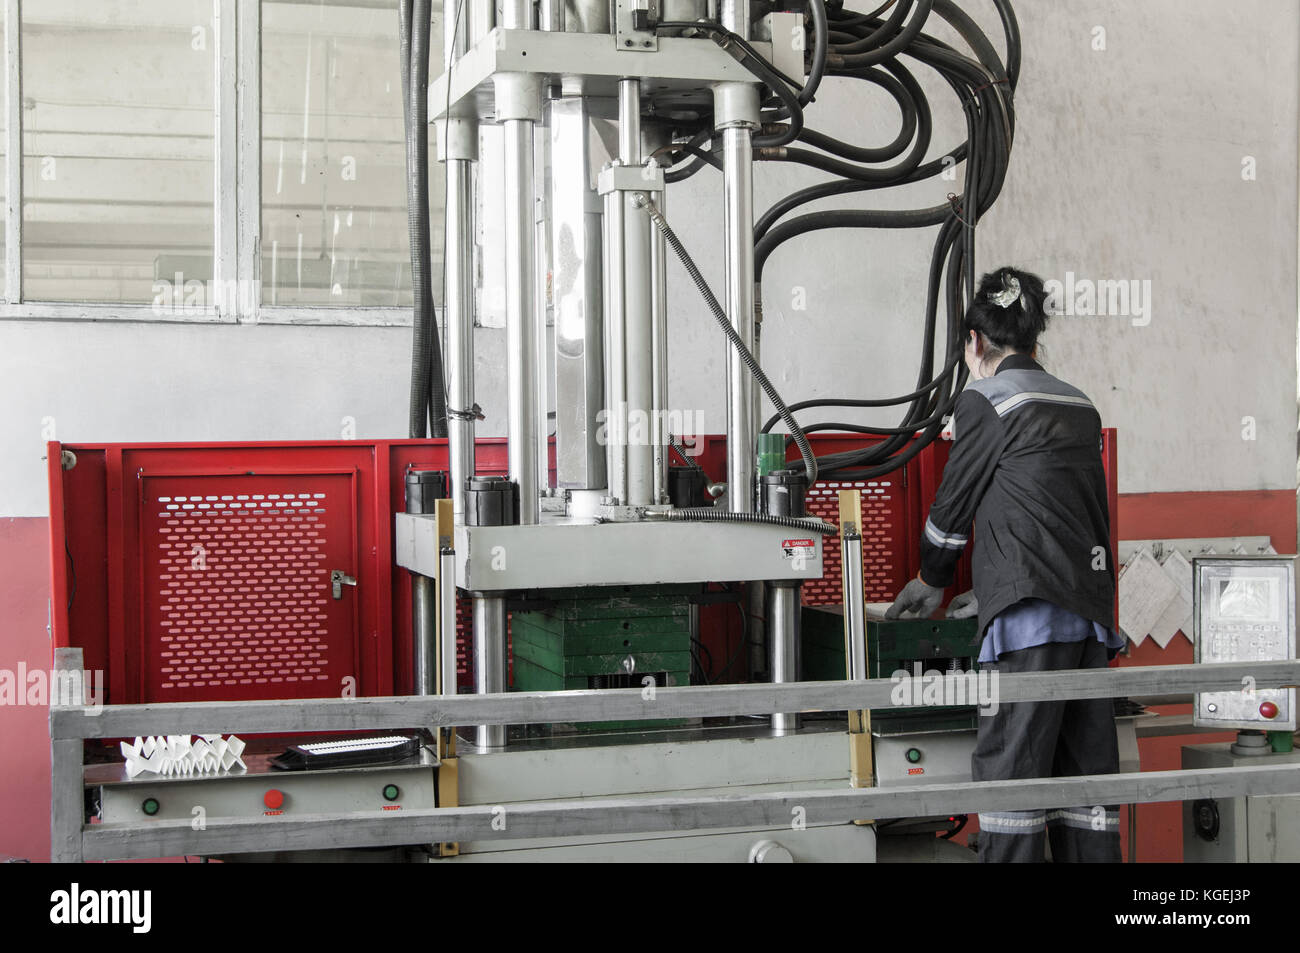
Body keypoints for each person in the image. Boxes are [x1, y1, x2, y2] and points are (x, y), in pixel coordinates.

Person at [886, 267, 1123, 863]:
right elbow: (1059, 508)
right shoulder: (1080, 404)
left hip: (1029, 625)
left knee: (1011, 789)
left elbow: (952, 507)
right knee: (1086, 792)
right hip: (1089, 623)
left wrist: (931, 580)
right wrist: (989, 586)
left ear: (973, 343)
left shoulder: (986, 399)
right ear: (1036, 340)